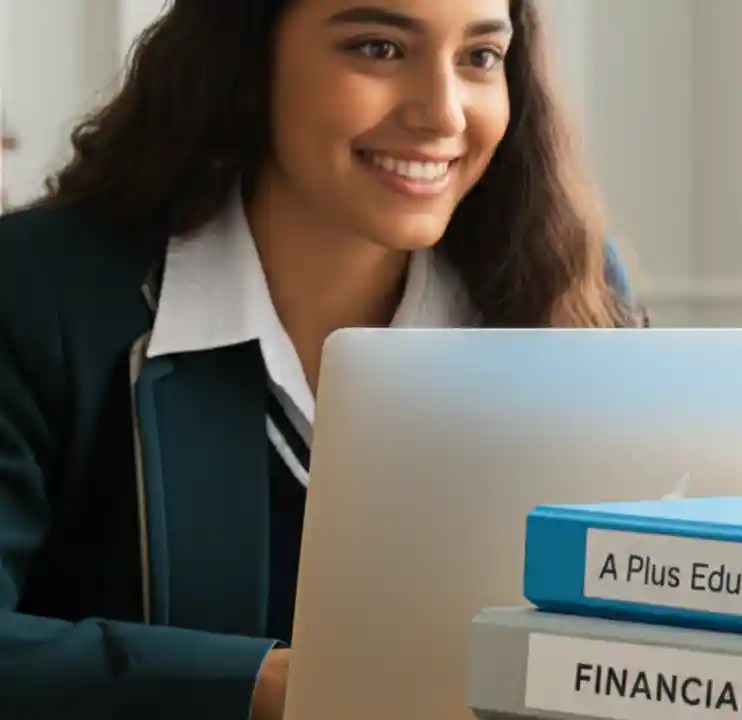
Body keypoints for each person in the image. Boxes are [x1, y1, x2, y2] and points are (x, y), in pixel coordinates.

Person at [0, 0, 642, 718]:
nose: (443, 114)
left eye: (479, 58)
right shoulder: (36, 292)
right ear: (247, 62)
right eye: (379, 48)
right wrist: (272, 687)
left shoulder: (566, 294)